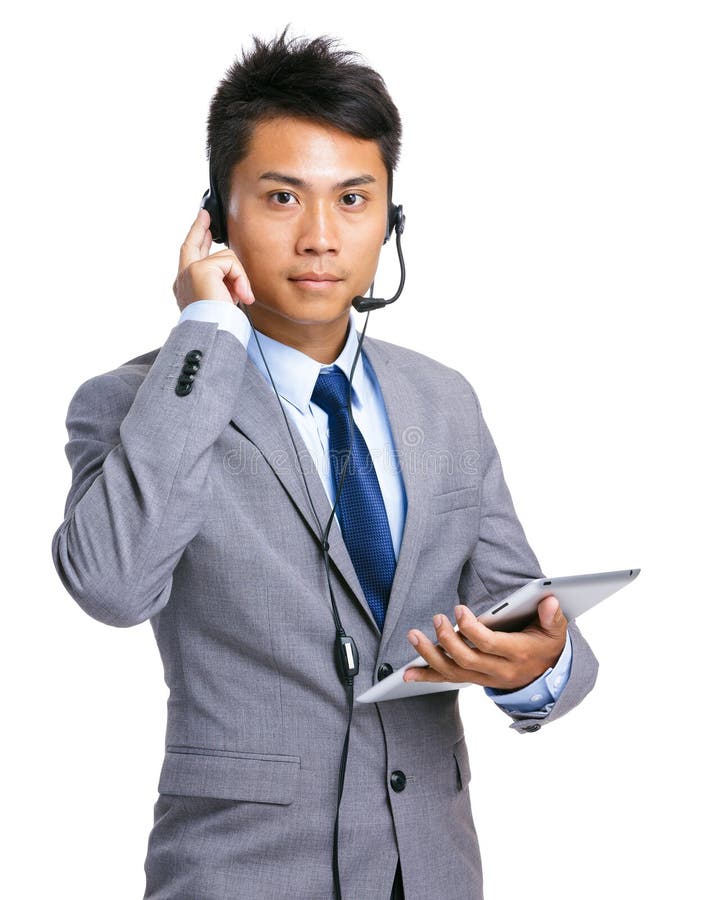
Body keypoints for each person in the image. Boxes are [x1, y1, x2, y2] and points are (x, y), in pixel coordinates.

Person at [51, 26, 598, 900]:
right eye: (281, 198)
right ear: (215, 215)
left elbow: (528, 615)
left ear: (391, 219)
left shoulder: (443, 401)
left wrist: (538, 666)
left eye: (352, 199)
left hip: (432, 872)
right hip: (239, 873)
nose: (319, 237)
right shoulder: (140, 402)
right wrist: (204, 330)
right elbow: (112, 586)